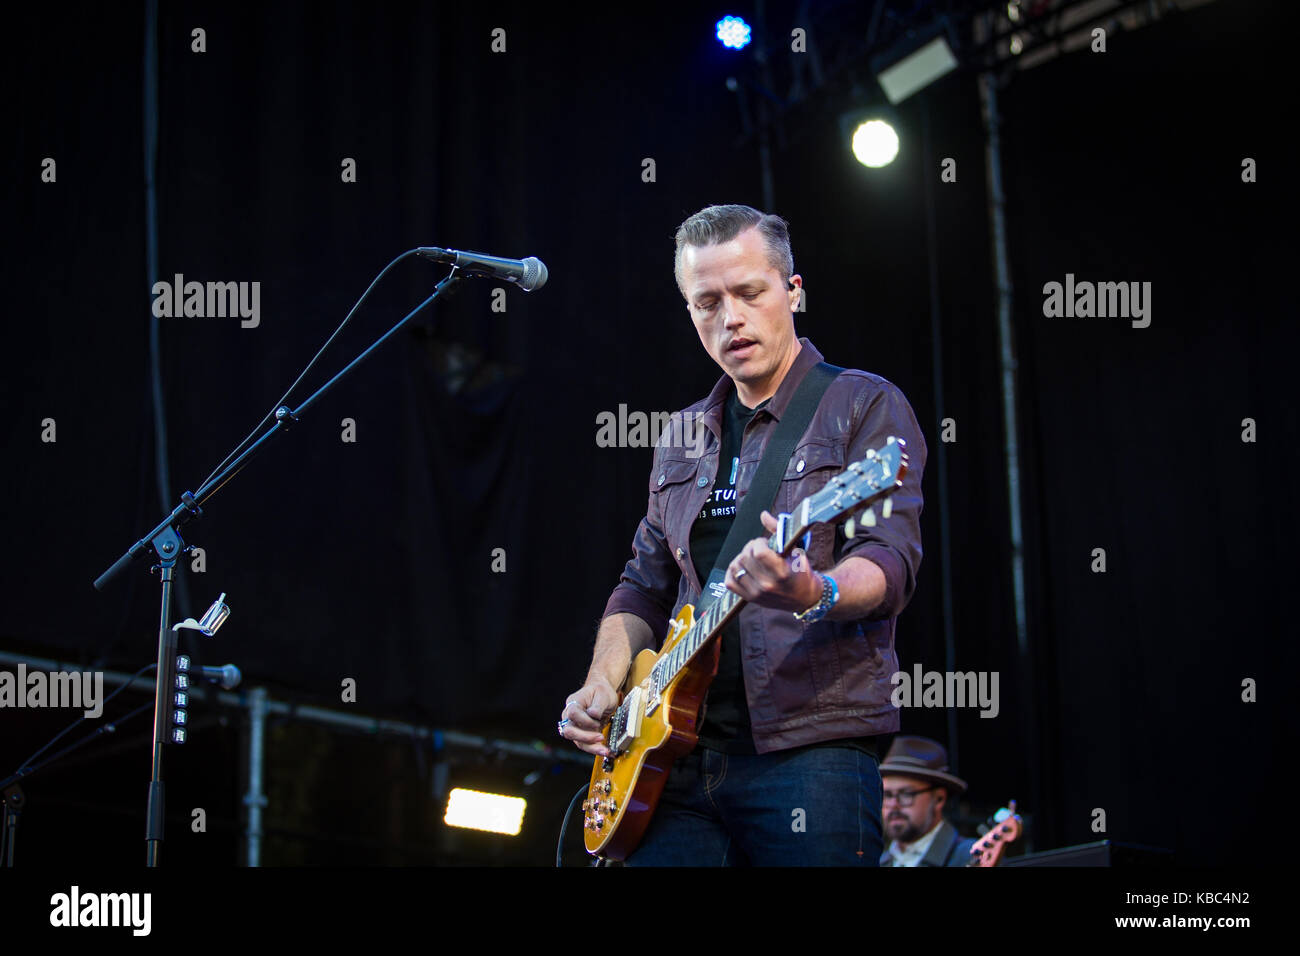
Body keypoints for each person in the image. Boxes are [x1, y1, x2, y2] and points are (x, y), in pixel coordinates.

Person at [558, 204, 927, 865]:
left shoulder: (863, 405)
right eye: (706, 303)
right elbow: (642, 587)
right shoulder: (680, 438)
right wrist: (602, 684)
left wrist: (811, 587)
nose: (729, 318)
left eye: (749, 293)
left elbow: (888, 561)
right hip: (672, 760)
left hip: (810, 751)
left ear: (793, 290)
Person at [878, 735, 979, 867]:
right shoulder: (877, 860)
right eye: (887, 795)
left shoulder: (973, 856)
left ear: (939, 799)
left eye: (906, 794)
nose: (893, 805)